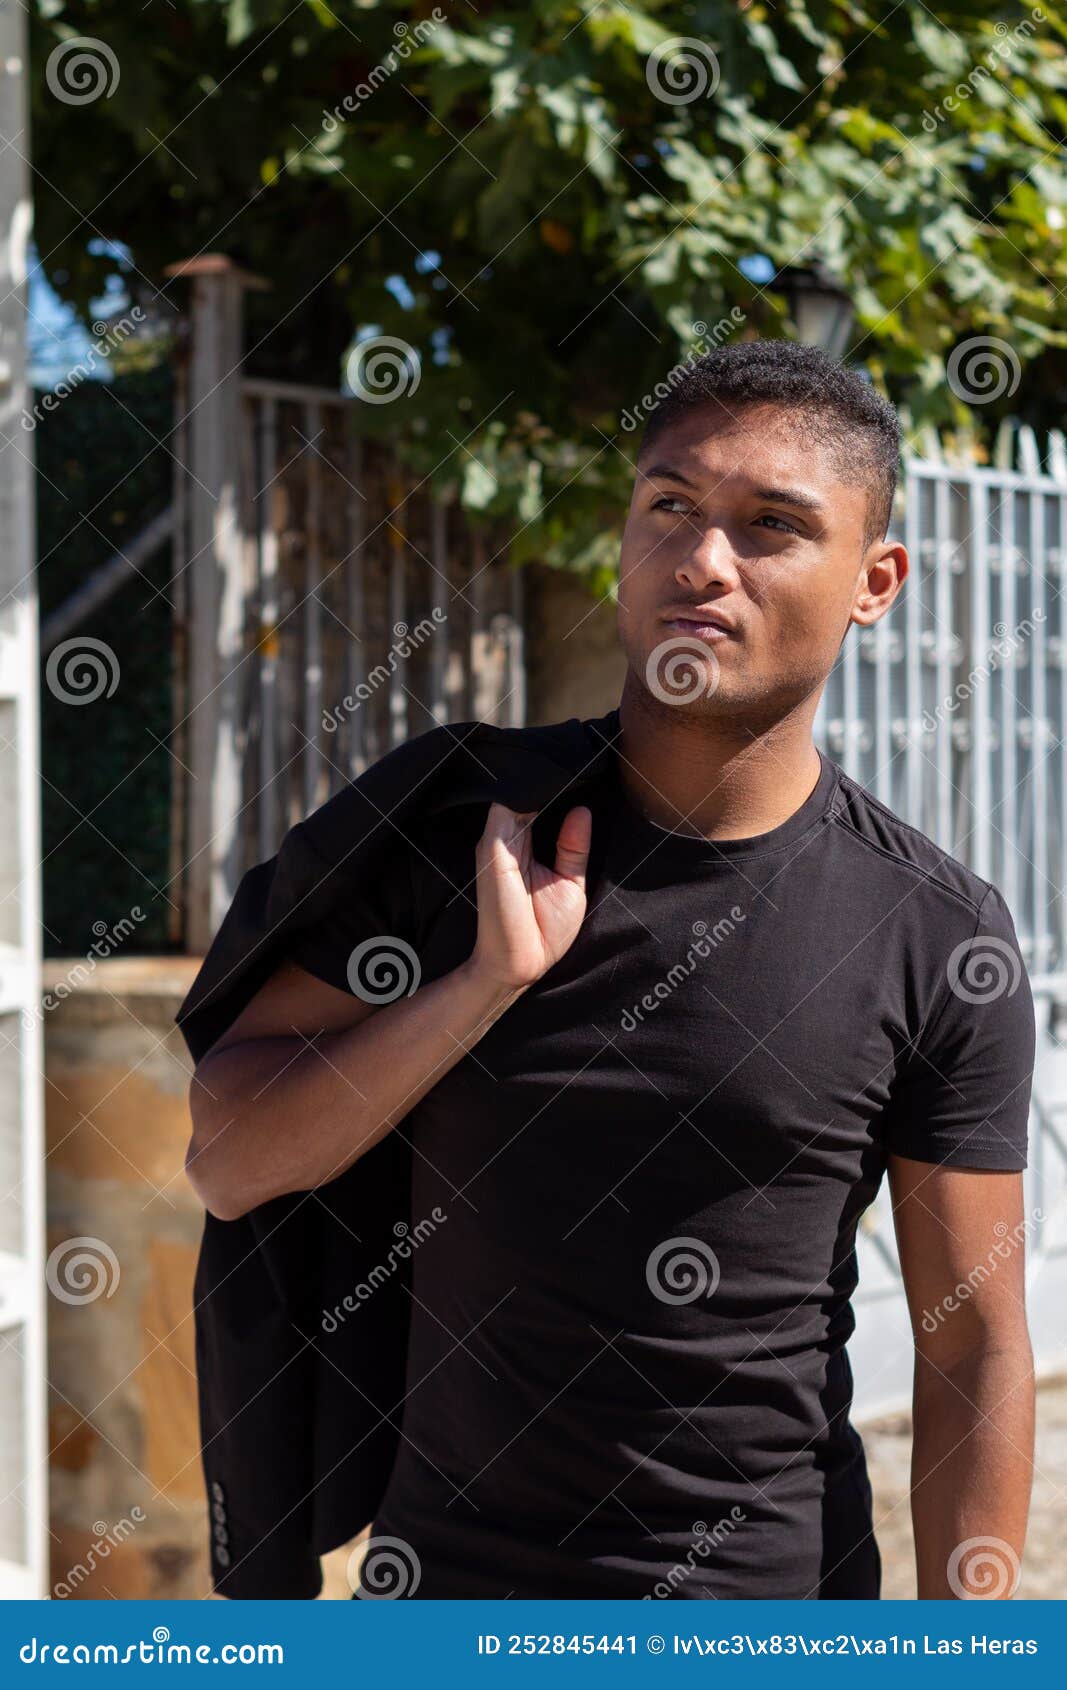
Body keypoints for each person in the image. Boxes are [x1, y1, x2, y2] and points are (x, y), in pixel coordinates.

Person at [185, 340, 1036, 1600]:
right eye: (670, 506)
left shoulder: (932, 933)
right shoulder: (458, 829)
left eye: (770, 525)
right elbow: (228, 1157)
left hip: (767, 1613)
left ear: (874, 581)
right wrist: (478, 986)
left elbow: (969, 1345)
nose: (702, 560)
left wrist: (960, 1655)